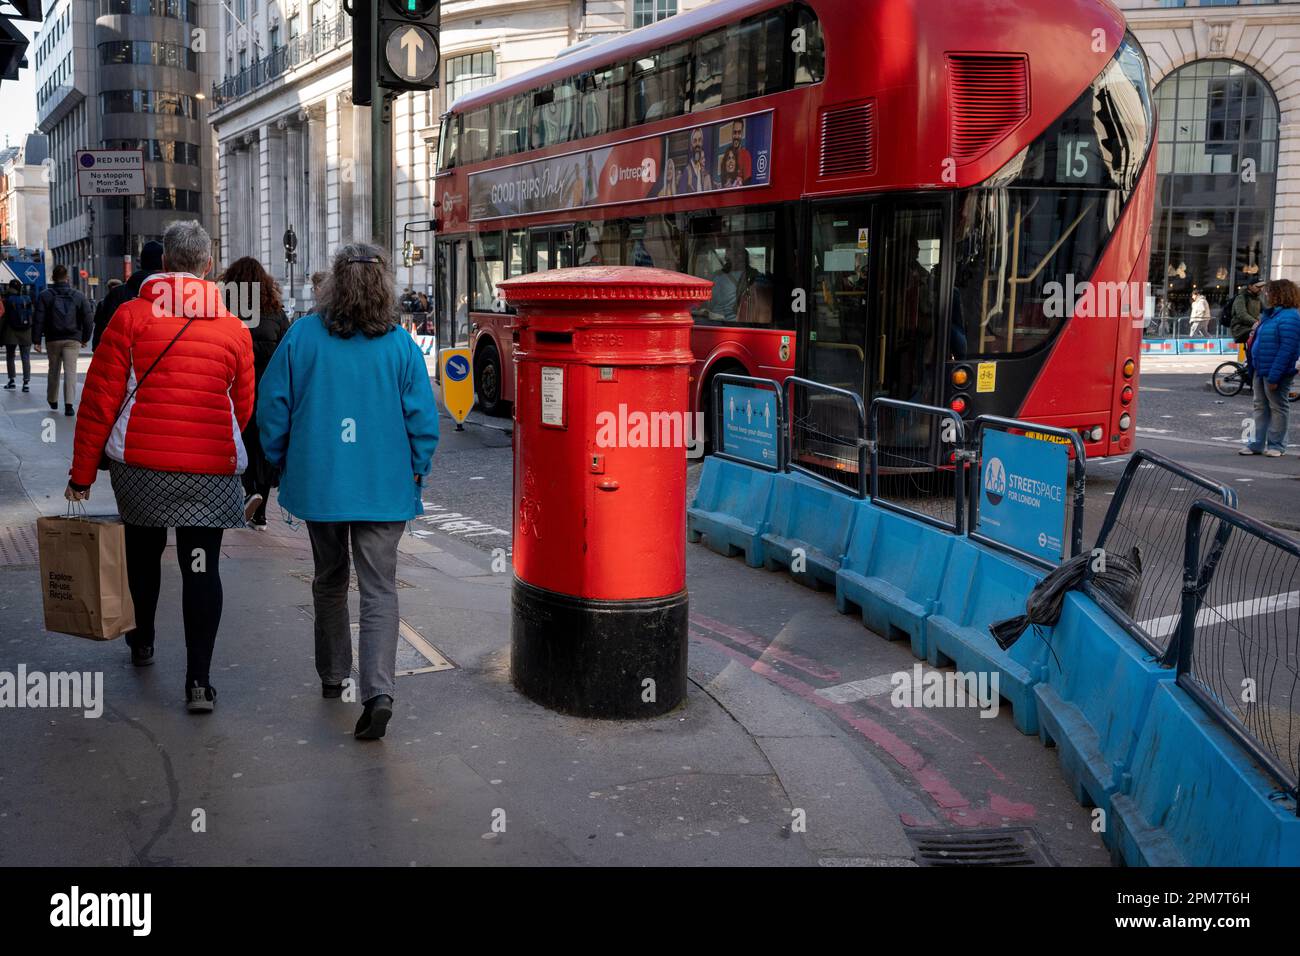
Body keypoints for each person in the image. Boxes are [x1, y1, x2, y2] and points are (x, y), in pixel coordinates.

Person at [64, 221, 255, 714]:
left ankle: (143, 639)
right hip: (209, 469)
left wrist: (82, 475)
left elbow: (99, 401)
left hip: (141, 465)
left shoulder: (130, 318)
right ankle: (198, 682)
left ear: (165, 264)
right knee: (200, 566)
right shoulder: (233, 328)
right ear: (208, 267)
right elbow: (243, 407)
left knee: (144, 553)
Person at [258, 243, 439, 741]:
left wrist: (282, 458)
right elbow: (423, 422)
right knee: (380, 589)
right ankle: (378, 691)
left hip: (321, 482)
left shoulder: (302, 337)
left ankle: (333, 673)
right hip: (383, 486)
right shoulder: (400, 344)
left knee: (330, 579)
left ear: (334, 283)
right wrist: (417, 469)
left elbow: (271, 408)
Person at [221, 256, 291, 529]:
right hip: (268, 387)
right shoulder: (275, 312)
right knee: (263, 445)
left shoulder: (225, 310)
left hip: (235, 385)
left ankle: (249, 490)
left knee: (243, 439)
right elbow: (287, 349)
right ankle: (259, 501)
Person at [1240, 278, 1300, 458]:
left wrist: (1275, 376)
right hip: (1261, 368)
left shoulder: (1290, 317)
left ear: (1280, 294)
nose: (1266, 294)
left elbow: (1288, 349)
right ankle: (1256, 444)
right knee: (1260, 406)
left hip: (1276, 369)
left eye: (1269, 291)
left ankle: (1277, 445)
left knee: (1277, 406)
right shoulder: (1271, 315)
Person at [33, 264, 94, 416]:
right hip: (73, 338)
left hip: (53, 338)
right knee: (70, 371)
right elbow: (87, 318)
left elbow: (39, 319)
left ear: (53, 278)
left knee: (53, 369)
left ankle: (52, 399)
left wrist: (36, 340)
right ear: (67, 278)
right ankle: (69, 405)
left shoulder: (45, 295)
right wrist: (85, 338)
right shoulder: (79, 295)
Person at [93, 241, 165, 350]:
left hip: (123, 357)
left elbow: (102, 330)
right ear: (164, 262)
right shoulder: (171, 293)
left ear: (141, 263)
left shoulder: (117, 294)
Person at [2, 279, 34, 392]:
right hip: (26, 332)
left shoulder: (6, 299)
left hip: (11, 332)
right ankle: (26, 383)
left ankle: (12, 381)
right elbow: (32, 316)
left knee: (10, 356)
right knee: (25, 357)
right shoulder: (27, 299)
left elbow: (3, 318)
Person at [1230, 280, 1263, 346]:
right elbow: (1242, 315)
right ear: (1250, 287)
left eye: (1262, 287)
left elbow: (1267, 311)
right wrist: (1257, 322)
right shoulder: (1241, 298)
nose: (1261, 289)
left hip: (1252, 327)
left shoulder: (1257, 299)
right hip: (1241, 329)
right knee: (1260, 336)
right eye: (1258, 286)